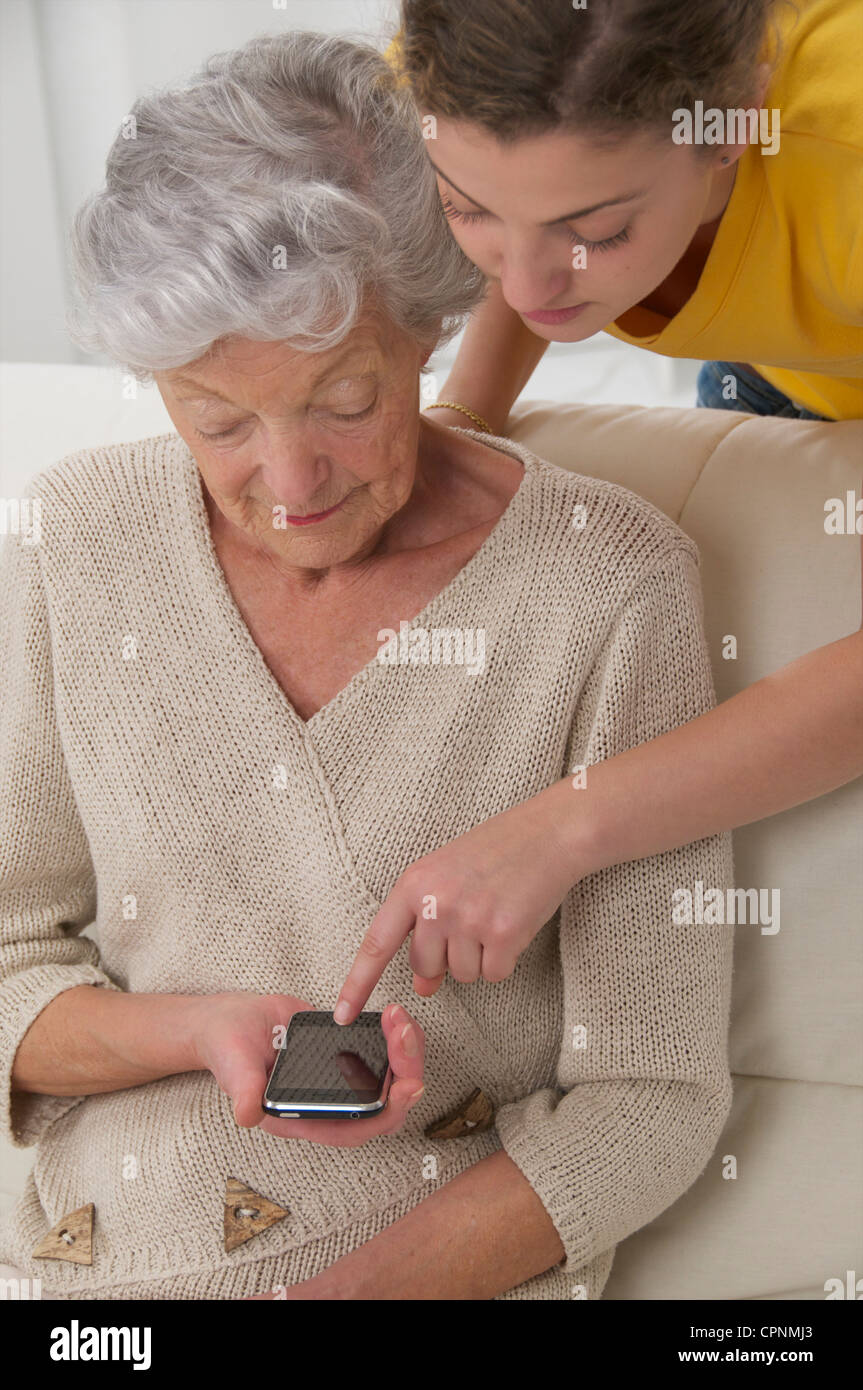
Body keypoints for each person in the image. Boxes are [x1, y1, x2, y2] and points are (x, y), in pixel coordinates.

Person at [0, 31, 732, 1300]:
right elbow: (12, 956)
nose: (288, 486)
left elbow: (649, 1094)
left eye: (344, 400)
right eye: (217, 418)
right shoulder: (78, 539)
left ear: (432, 322)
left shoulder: (608, 585)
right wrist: (196, 1027)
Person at [333, 0, 862, 1022]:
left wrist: (563, 828)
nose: (526, 283)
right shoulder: (464, 62)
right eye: (470, 209)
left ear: (739, 118)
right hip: (790, 362)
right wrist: (468, 426)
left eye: (597, 231)